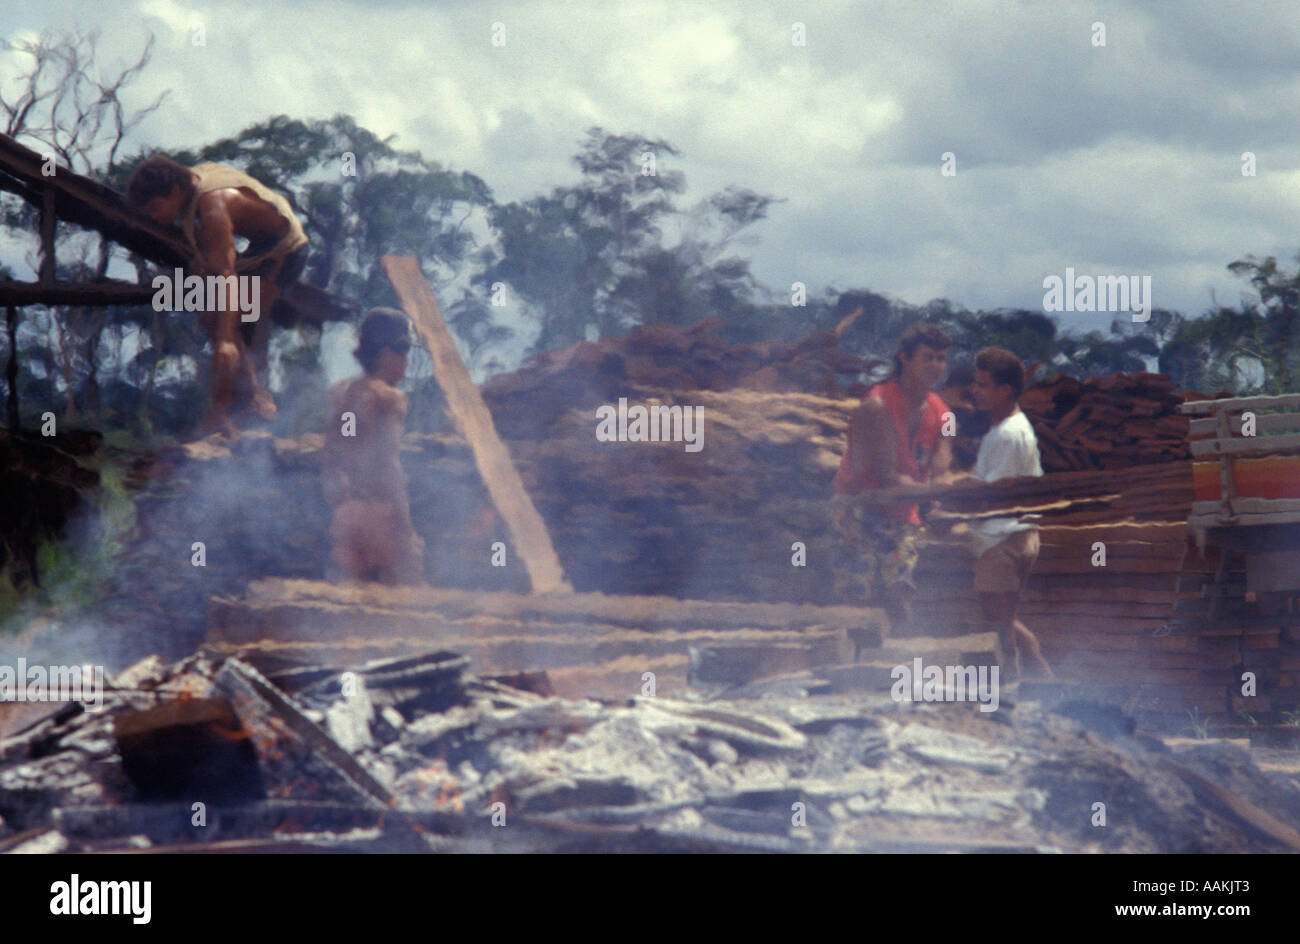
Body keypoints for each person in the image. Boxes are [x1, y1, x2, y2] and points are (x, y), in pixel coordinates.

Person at [126, 156, 309, 435]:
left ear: (174, 192)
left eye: (154, 208)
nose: (153, 216)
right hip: (258, 248)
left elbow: (226, 275)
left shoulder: (212, 207)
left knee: (226, 324)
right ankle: (253, 400)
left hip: (285, 249)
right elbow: (212, 258)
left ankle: (226, 409)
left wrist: (224, 340)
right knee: (215, 317)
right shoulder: (190, 185)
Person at [832, 323, 956, 623]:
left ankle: (899, 661)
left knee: (900, 592)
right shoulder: (876, 405)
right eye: (928, 357)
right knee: (855, 593)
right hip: (858, 508)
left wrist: (940, 502)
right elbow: (889, 478)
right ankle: (847, 664)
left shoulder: (944, 414)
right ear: (904, 358)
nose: (936, 365)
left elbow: (942, 472)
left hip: (902, 512)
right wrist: (933, 495)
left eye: (941, 358)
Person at [966, 347, 1053, 680]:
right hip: (1017, 536)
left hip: (1002, 541)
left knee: (1000, 624)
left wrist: (961, 527)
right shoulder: (1008, 428)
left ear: (1004, 391)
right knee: (1005, 620)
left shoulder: (1006, 435)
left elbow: (993, 497)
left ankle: (1035, 685)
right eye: (975, 384)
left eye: (982, 385)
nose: (974, 391)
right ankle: (1031, 686)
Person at [322, 308, 425, 585]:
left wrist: (343, 506)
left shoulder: (340, 392)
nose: (405, 363)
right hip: (381, 515)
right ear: (388, 352)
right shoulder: (388, 398)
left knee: (352, 599)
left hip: (346, 513)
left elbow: (333, 456)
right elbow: (388, 465)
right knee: (404, 599)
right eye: (403, 354)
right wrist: (405, 528)